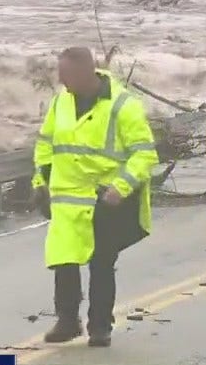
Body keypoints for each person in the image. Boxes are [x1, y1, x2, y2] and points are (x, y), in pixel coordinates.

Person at [33, 47, 159, 347]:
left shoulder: (123, 106)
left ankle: (100, 325)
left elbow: (144, 154)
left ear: (86, 73)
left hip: (103, 199)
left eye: (67, 75)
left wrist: (121, 187)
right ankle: (67, 321)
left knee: (101, 264)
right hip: (66, 198)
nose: (62, 82)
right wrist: (41, 182)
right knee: (64, 260)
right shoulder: (61, 102)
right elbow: (45, 143)